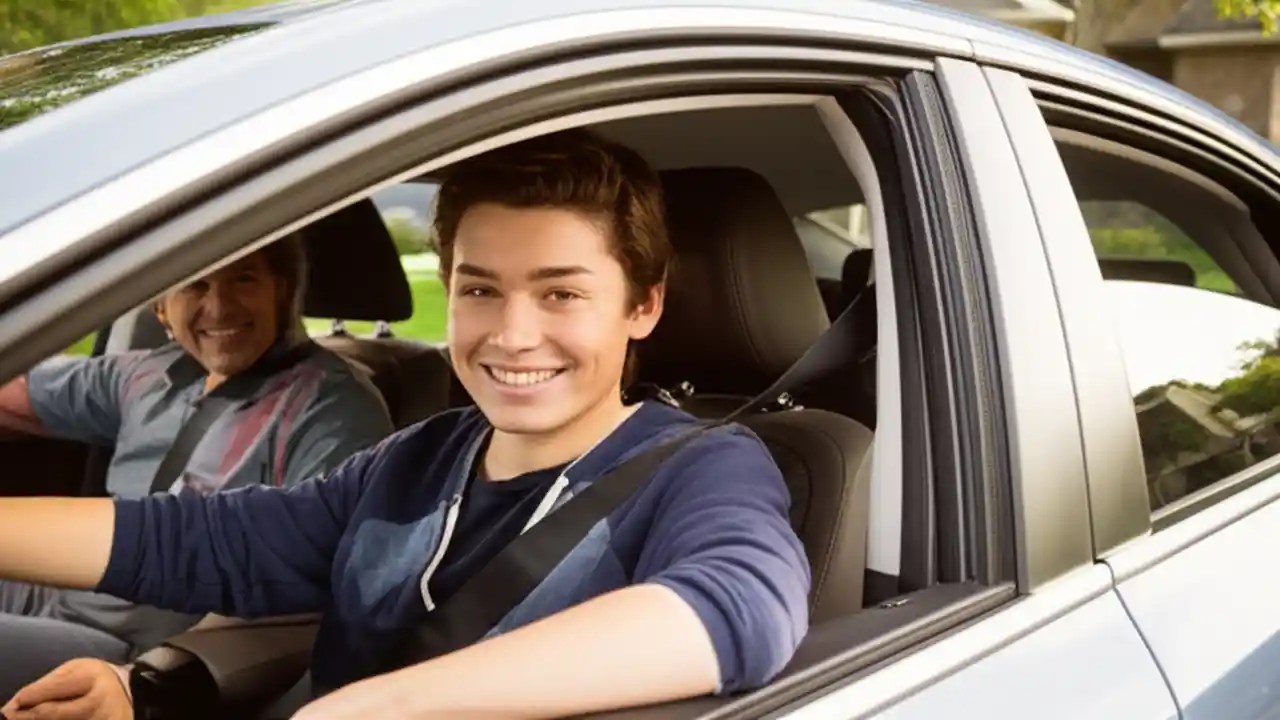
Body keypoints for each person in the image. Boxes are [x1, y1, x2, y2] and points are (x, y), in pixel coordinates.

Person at [0, 129, 810, 720]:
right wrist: (147, 695)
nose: (511, 334)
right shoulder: (416, 460)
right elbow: (204, 542)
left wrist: (370, 709)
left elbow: (738, 609)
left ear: (643, 305)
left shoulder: (704, 466)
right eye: (480, 289)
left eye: (560, 293)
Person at [0, 237, 394, 698]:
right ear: (161, 307)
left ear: (281, 292)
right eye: (196, 283)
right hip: (69, 597)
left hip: (134, 651)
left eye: (244, 279)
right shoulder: (150, 374)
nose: (219, 306)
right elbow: (18, 394)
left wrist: (157, 681)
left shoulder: (331, 409)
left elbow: (318, 586)